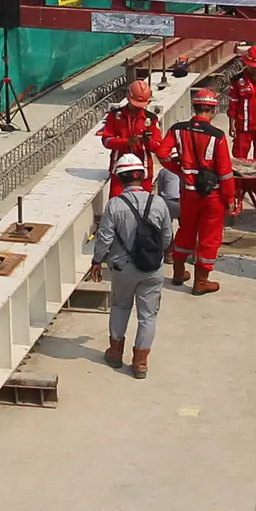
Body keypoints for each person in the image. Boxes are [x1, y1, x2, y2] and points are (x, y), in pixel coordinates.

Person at [84, 153, 174, 376]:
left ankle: (115, 353)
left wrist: (97, 261)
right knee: (148, 315)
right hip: (152, 268)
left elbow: (104, 239)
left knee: (120, 306)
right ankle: (140, 363)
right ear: (142, 176)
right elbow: (167, 238)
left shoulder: (115, 205)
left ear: (120, 178)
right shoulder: (159, 203)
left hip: (123, 268)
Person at [162, 89, 236, 294]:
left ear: (194, 107)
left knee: (186, 229)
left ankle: (178, 273)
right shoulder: (217, 136)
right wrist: (230, 199)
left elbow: (162, 153)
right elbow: (225, 172)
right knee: (209, 237)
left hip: (188, 193)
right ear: (212, 109)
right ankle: (201, 282)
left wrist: (180, 170)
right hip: (212, 195)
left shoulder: (177, 130)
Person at [97, 80, 164, 198]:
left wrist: (147, 142)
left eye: (141, 106)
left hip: (143, 172)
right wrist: (127, 142)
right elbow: (106, 140)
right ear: (128, 98)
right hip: (119, 171)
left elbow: (159, 146)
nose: (138, 109)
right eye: (135, 105)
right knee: (116, 204)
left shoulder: (151, 119)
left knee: (144, 207)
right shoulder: (115, 115)